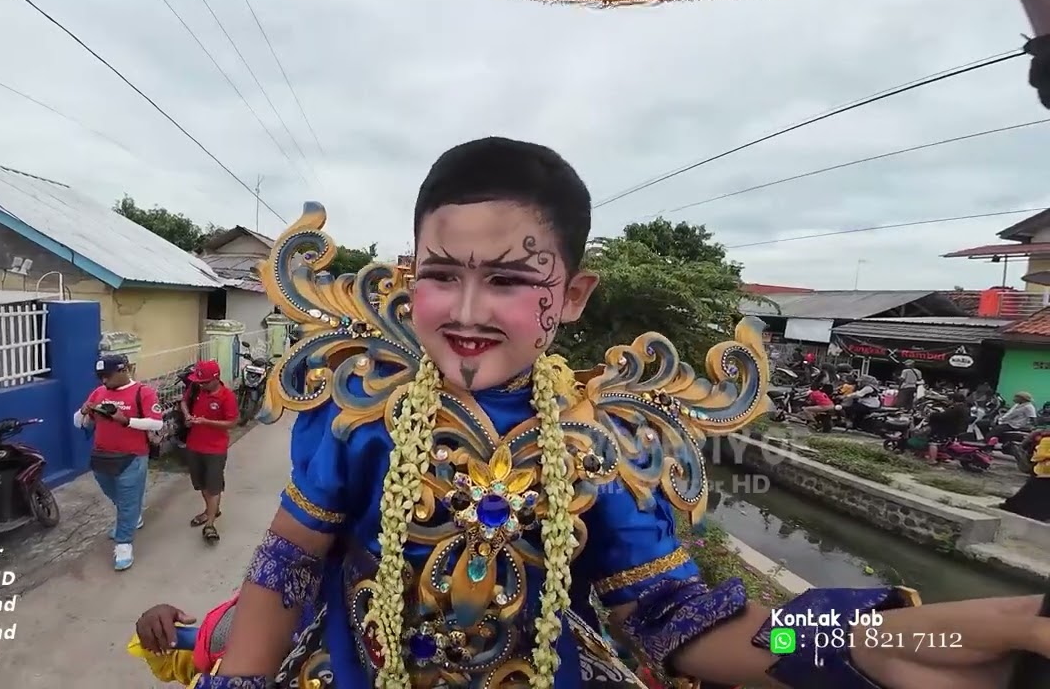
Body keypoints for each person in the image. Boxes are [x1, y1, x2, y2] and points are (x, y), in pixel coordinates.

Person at [128, 138, 1050, 688]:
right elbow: (287, 568)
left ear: (570, 295)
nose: (468, 310)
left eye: (513, 278)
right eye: (441, 275)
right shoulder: (358, 417)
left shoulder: (602, 447)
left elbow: (687, 625)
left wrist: (907, 636)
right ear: (411, 279)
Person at [73, 354, 162, 571]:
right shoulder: (99, 392)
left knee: (129, 498)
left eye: (108, 376)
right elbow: (79, 423)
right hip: (102, 457)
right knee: (116, 495)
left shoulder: (144, 392)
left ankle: (123, 545)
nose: (104, 381)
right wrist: (83, 411)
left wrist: (126, 420)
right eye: (100, 376)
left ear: (124, 371)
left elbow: (156, 423)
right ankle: (132, 518)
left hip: (132, 457)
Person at [180, 359, 238, 543]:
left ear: (215, 379)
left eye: (204, 382)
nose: (200, 384)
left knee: (213, 486)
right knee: (201, 484)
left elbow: (232, 423)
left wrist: (205, 422)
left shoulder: (227, 397)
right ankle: (211, 510)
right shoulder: (196, 388)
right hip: (194, 445)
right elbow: (183, 402)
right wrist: (187, 415)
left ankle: (210, 523)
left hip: (215, 449)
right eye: (198, 382)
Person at [1001, 434, 1050, 521]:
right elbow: (1039, 456)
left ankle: (1040, 514)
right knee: (1032, 492)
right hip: (1043, 472)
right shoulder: (1046, 440)